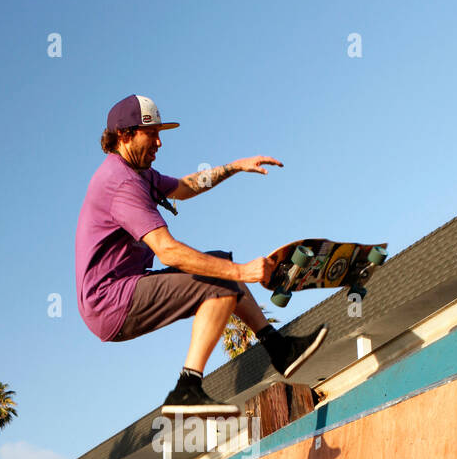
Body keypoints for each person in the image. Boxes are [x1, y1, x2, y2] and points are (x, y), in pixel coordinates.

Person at [75, 94, 328, 415]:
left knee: (220, 264)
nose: (159, 143)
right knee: (221, 279)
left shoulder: (140, 173)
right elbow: (167, 251)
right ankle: (187, 389)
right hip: (110, 301)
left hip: (124, 290)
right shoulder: (120, 183)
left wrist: (235, 167)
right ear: (125, 136)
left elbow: (186, 186)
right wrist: (241, 272)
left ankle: (280, 350)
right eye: (152, 134)